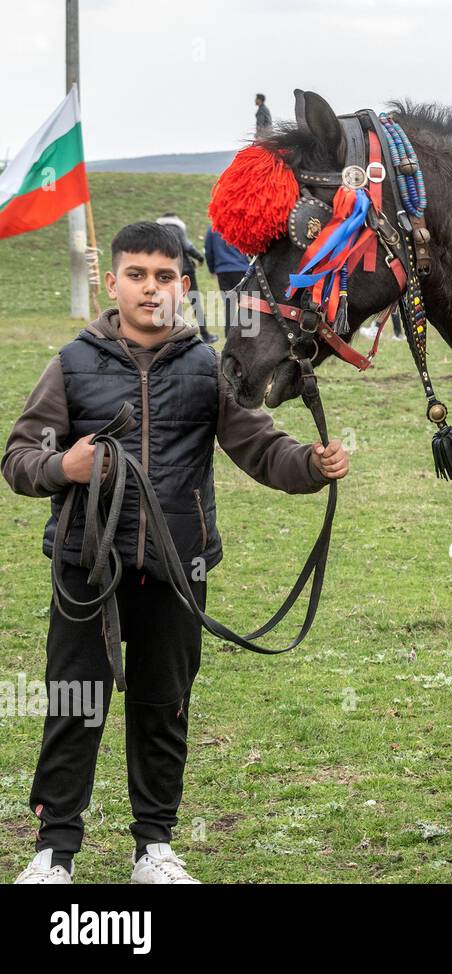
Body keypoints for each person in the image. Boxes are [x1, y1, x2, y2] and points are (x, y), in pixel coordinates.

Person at [3, 222, 349, 884]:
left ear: (184, 288)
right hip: (87, 571)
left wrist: (311, 463)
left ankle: (153, 849)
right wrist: (64, 467)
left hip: (177, 571)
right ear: (115, 283)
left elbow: (261, 446)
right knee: (75, 706)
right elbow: (18, 458)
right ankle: (53, 852)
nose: (151, 289)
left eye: (165, 278)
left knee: (164, 706)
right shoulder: (71, 363)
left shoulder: (206, 367)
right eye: (137, 275)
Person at [156, 214, 216, 344]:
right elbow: (187, 246)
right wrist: (199, 258)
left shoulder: (158, 232)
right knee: (195, 301)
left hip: (166, 273)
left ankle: (177, 337)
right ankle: (205, 334)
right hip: (186, 269)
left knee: (173, 303)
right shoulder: (178, 228)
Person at [203, 225, 248, 338]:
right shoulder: (239, 225)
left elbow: (208, 251)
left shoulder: (212, 229)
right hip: (241, 268)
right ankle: (246, 335)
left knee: (229, 304)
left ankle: (229, 335)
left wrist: (212, 269)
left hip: (223, 271)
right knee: (246, 303)